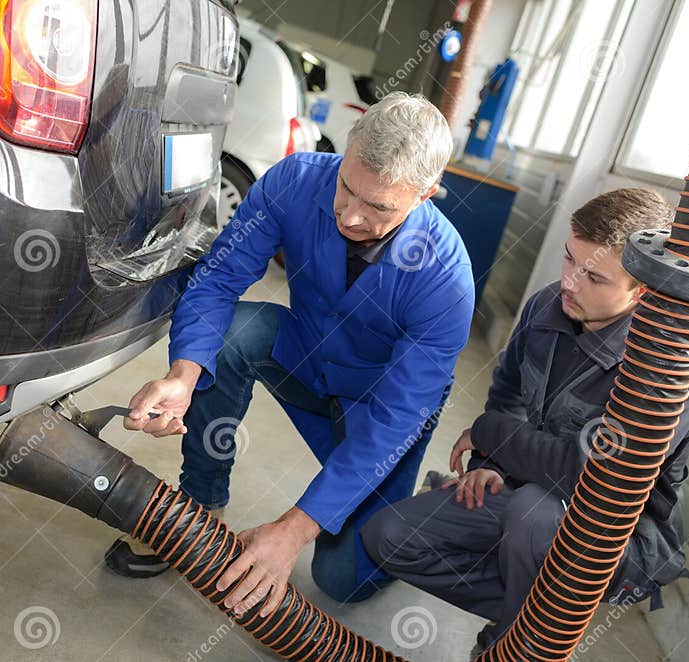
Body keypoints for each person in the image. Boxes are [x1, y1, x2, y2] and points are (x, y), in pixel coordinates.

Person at [104, 92, 475, 619]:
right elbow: (219, 278)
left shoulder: (446, 281)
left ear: (427, 194)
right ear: (347, 148)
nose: (350, 215)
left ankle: (431, 507)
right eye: (348, 188)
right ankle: (202, 508)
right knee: (229, 337)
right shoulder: (294, 182)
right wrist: (183, 375)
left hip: (379, 406)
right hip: (306, 353)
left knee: (340, 580)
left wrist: (292, 531)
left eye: (379, 208)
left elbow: (395, 421)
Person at [361, 188, 689, 650]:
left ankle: (514, 644)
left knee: (533, 514)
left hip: (614, 535)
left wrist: (490, 434)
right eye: (570, 260)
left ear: (642, 290)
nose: (570, 282)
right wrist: (490, 462)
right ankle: (532, 612)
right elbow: (508, 389)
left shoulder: (672, 371)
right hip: (527, 485)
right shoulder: (549, 305)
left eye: (594, 277)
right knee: (387, 536)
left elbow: (596, 477)